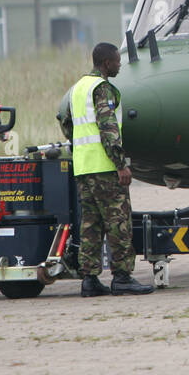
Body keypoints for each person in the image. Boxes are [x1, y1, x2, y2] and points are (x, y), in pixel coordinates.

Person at [61, 43, 154, 296]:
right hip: (104, 168)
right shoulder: (102, 89)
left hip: (83, 168)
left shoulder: (77, 88)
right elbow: (109, 129)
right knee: (118, 221)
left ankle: (89, 279)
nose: (120, 64)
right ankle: (122, 276)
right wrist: (120, 164)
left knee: (90, 224)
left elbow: (66, 123)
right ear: (106, 64)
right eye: (116, 61)